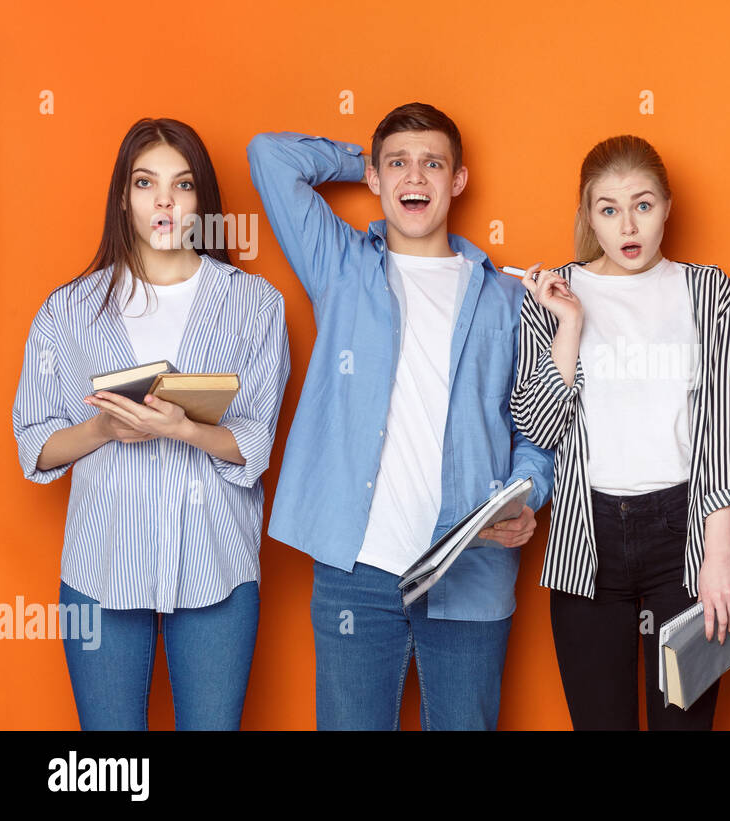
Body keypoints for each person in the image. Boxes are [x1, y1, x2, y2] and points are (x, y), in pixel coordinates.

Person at [247, 103, 554, 731]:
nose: (415, 177)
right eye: (399, 164)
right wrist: (358, 159)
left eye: (432, 164)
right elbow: (268, 155)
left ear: (458, 181)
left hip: (469, 566)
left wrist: (530, 498)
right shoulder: (340, 266)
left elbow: (536, 428)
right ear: (376, 178)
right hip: (356, 566)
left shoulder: (509, 297)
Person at [12, 117, 290, 730]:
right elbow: (34, 441)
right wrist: (103, 431)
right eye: (145, 182)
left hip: (216, 567)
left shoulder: (254, 303)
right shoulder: (69, 311)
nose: (164, 200)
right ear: (123, 197)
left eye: (182, 184)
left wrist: (184, 429)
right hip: (101, 566)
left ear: (201, 200)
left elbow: (255, 443)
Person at [510, 135, 730, 730]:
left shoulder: (708, 291)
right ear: (588, 215)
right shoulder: (552, 295)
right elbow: (538, 424)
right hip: (585, 536)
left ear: (668, 206)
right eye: (608, 209)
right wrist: (569, 324)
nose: (628, 225)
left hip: (685, 536)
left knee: (684, 724)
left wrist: (719, 560)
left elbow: (717, 430)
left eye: (643, 205)